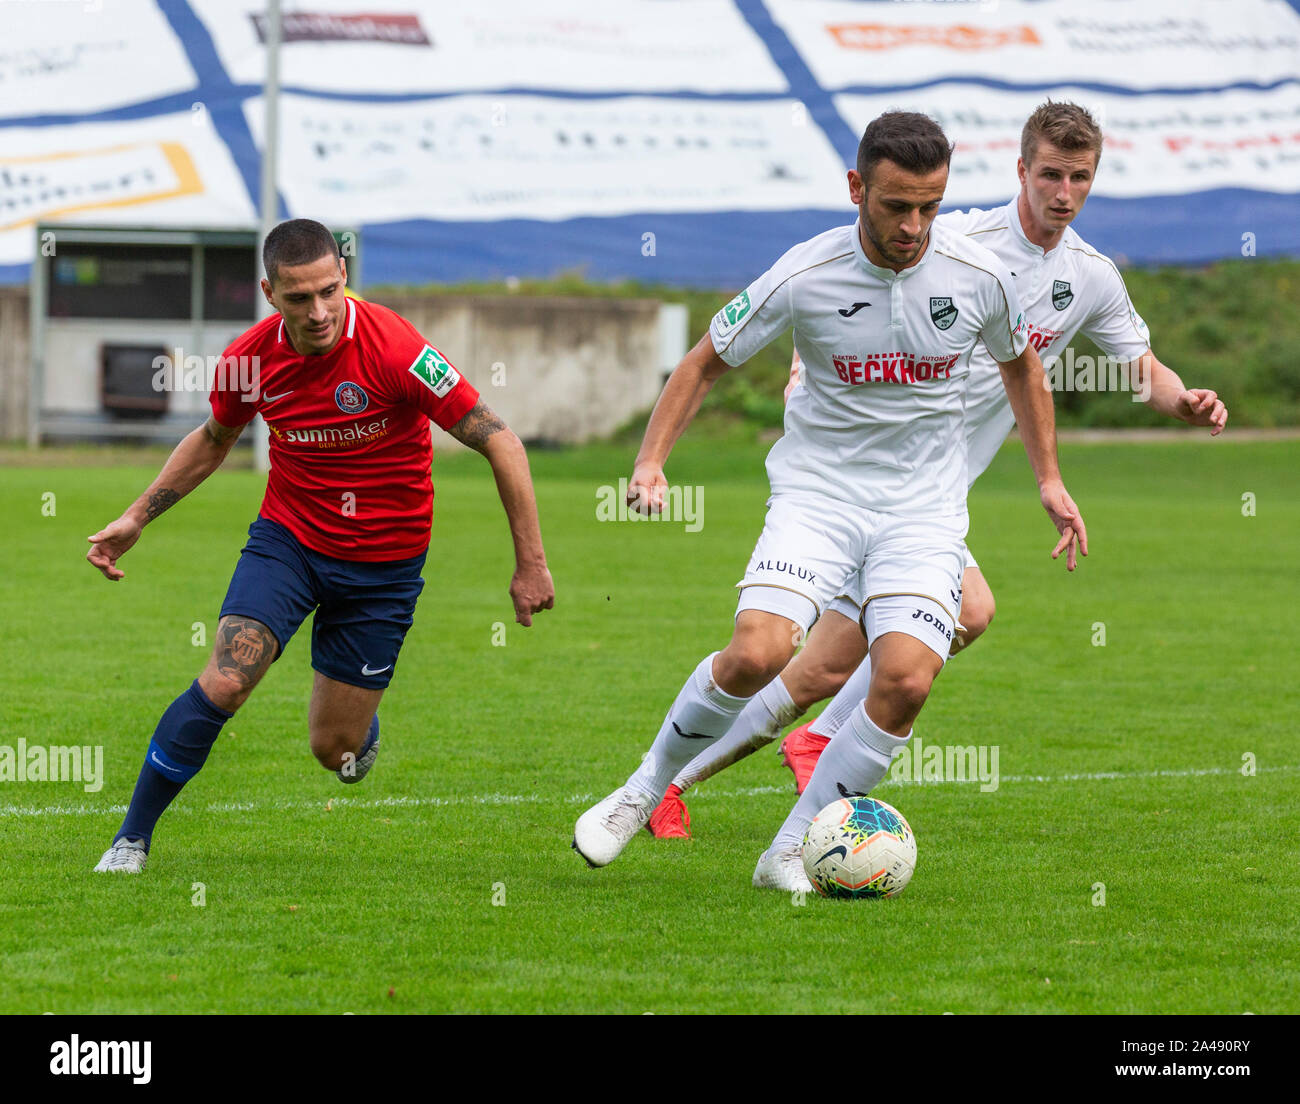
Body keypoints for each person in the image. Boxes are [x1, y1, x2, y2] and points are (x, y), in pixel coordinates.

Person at [646, 100, 1228, 840]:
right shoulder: (950, 238)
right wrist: (808, 362)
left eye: (1080, 178)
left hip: (930, 495)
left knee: (960, 616)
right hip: (869, 477)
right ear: (1022, 170)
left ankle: (792, 746)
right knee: (834, 658)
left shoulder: (1090, 276)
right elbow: (860, 288)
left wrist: (1184, 401)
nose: (1064, 192)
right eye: (1050, 173)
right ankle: (683, 778)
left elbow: (1138, 365)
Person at [573, 110, 1085, 891]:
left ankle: (788, 849)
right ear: (857, 188)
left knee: (909, 676)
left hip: (922, 509)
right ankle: (643, 789)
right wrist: (649, 463)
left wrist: (1048, 477)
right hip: (819, 496)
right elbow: (705, 361)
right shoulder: (803, 275)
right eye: (895, 205)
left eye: (931, 206)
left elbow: (1022, 368)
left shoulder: (978, 278)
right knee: (758, 654)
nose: (914, 225)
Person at [87, 219, 554, 873]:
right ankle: (130, 840)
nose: (319, 311)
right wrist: (138, 516)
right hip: (291, 543)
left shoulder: (396, 350)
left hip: (384, 566)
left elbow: (498, 439)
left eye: (329, 291)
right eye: (299, 297)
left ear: (345, 278)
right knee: (228, 677)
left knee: (333, 748)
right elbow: (215, 438)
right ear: (269, 292)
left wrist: (529, 563)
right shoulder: (249, 359)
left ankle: (357, 727)